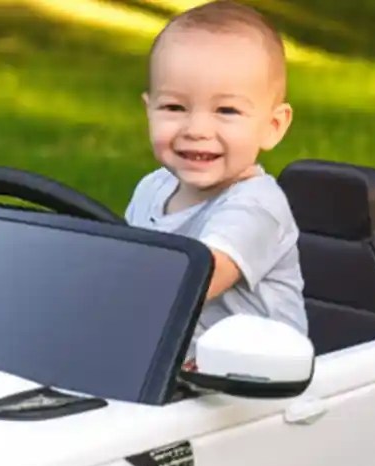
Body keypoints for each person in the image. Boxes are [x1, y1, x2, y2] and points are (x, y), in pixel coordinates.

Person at [124, 1, 307, 364]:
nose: (196, 130)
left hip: (253, 386)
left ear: (273, 126)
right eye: (174, 108)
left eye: (226, 111)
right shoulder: (151, 188)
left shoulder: (257, 207)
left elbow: (192, 282)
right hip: (171, 372)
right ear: (149, 111)